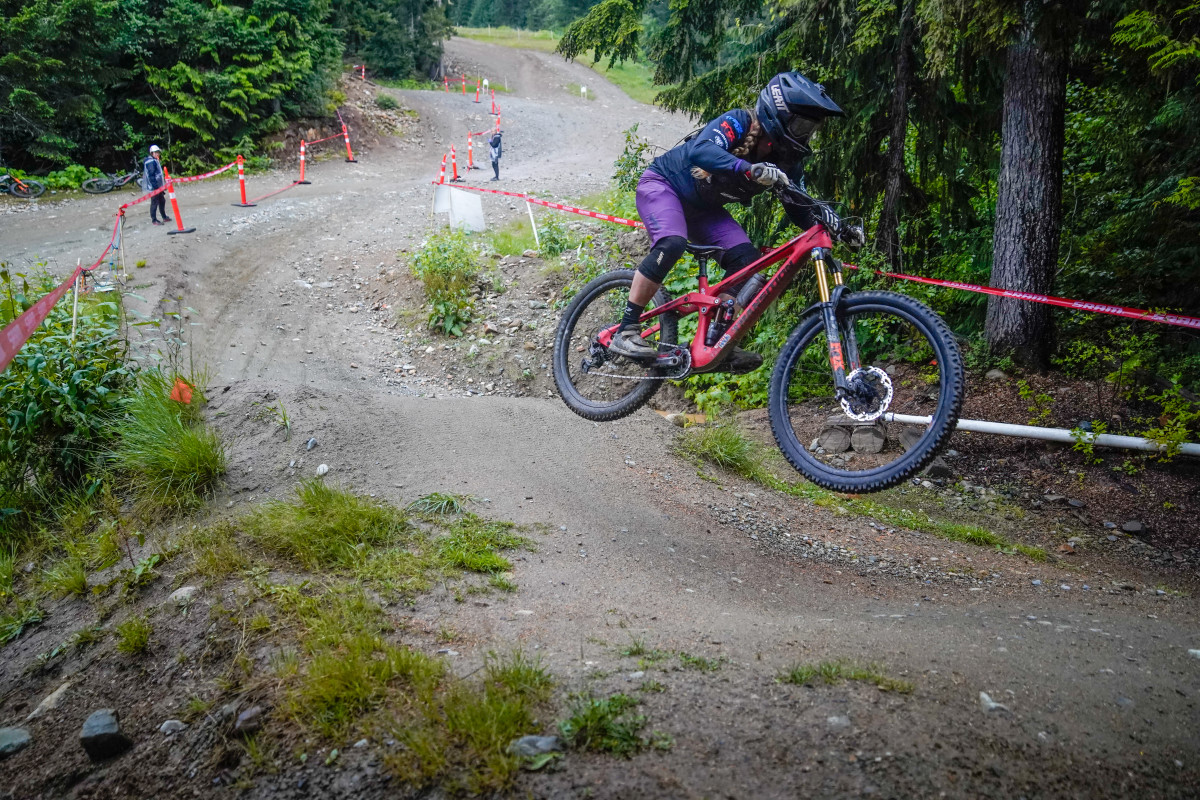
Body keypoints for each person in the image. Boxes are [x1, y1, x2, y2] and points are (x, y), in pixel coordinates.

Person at [609, 72, 850, 371]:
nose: (805, 133)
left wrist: (834, 225)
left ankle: (718, 341)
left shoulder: (788, 159)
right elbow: (701, 150)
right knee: (672, 243)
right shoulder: (739, 122)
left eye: (811, 128)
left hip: (704, 209)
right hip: (663, 185)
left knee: (748, 264)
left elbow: (798, 205)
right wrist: (748, 168)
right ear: (779, 114)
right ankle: (627, 329)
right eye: (802, 125)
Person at [142, 145, 169, 225]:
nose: (158, 154)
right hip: (154, 187)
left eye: (158, 152)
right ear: (152, 153)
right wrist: (156, 187)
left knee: (162, 201)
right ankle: (154, 220)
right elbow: (151, 176)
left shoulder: (155, 160)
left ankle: (164, 217)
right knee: (154, 202)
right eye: (156, 152)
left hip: (158, 187)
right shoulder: (150, 162)